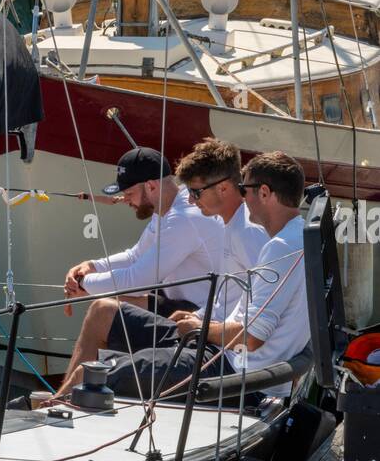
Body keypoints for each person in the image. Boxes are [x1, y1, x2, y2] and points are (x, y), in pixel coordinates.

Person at [53, 140, 267, 400]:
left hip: (201, 317)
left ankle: (62, 401)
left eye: (129, 194)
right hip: (188, 309)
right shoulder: (165, 211)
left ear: (151, 186)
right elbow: (135, 255)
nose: (125, 201)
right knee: (102, 310)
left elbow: (139, 278)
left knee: (102, 310)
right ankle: (65, 396)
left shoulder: (185, 218)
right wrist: (92, 267)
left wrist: (84, 285)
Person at [98, 152, 309, 403]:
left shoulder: (281, 247)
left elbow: (251, 337)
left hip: (236, 376)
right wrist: (198, 321)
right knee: (106, 329)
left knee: (98, 373)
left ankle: (55, 414)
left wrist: (199, 328)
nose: (241, 196)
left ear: (263, 193)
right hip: (232, 362)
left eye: (244, 188)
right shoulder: (295, 238)